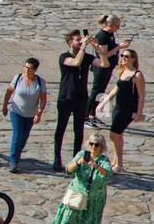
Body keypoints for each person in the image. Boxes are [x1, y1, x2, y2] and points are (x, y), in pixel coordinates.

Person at [48, 132, 113, 224]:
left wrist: (97, 166)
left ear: (102, 147)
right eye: (92, 144)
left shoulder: (103, 161)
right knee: (67, 219)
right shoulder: (81, 155)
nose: (94, 147)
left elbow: (108, 174)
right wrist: (78, 162)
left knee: (86, 223)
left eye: (97, 145)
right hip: (77, 194)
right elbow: (68, 170)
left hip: (94, 198)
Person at [100, 48, 145, 172]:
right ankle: (116, 160)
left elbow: (141, 96)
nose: (123, 58)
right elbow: (115, 90)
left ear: (133, 59)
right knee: (118, 136)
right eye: (122, 56)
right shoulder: (122, 71)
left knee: (113, 134)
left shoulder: (137, 75)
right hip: (118, 108)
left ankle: (119, 164)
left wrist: (139, 113)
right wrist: (103, 102)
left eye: (126, 56)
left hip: (128, 110)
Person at [54, 29, 93, 170]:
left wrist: (98, 48)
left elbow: (104, 64)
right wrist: (83, 47)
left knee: (79, 130)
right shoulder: (63, 56)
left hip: (81, 98)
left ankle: (76, 160)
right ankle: (57, 158)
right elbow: (76, 62)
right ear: (70, 42)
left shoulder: (87, 56)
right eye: (78, 39)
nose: (81, 41)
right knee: (61, 128)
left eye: (81, 39)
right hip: (66, 97)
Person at [2, 56, 48, 172]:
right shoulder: (18, 78)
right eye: (25, 67)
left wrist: (39, 113)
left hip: (30, 114)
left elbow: (43, 99)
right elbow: (9, 92)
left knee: (24, 137)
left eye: (30, 68)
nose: (27, 70)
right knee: (17, 135)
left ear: (35, 70)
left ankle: (16, 153)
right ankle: (13, 161)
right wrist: (4, 106)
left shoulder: (40, 82)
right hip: (16, 112)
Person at [87, 14, 130, 127]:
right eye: (117, 26)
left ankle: (93, 115)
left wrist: (119, 45)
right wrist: (119, 47)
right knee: (96, 91)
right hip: (101, 67)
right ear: (110, 24)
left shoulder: (110, 34)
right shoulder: (102, 36)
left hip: (108, 67)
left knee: (101, 92)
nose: (118, 28)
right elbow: (104, 54)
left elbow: (111, 47)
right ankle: (85, 116)